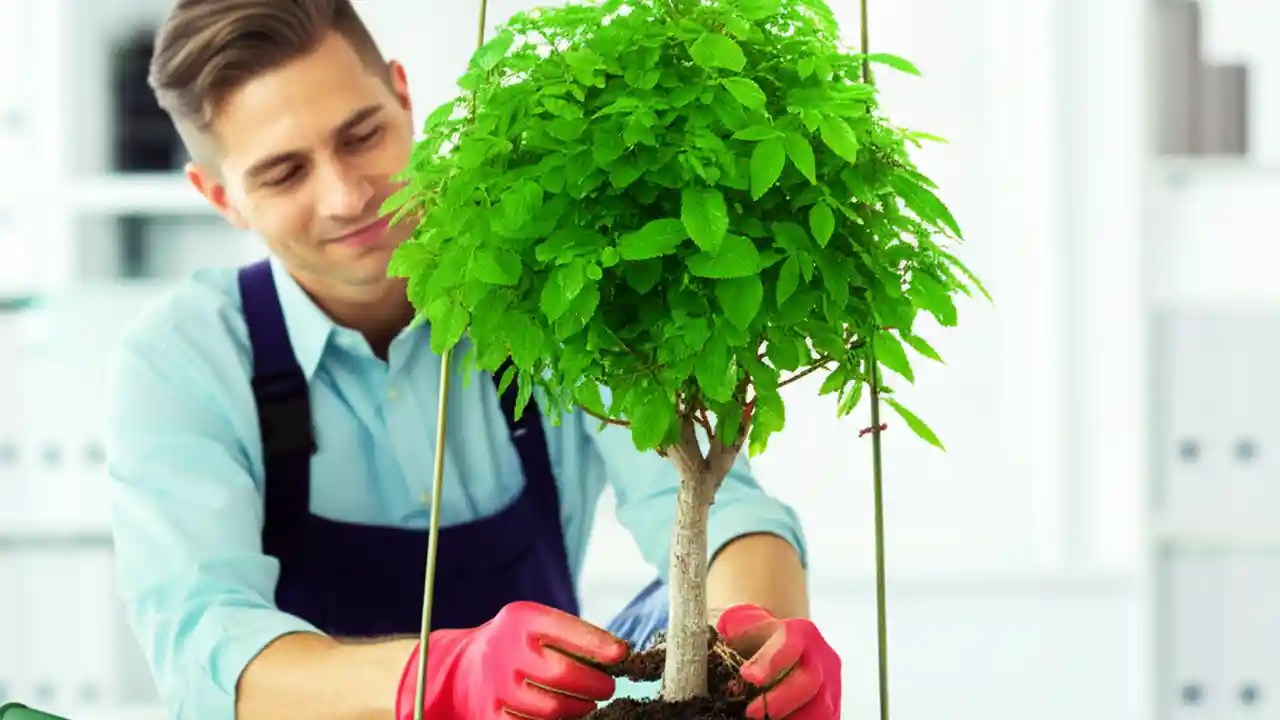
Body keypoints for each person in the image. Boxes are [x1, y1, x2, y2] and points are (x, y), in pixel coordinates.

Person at [104, 1, 842, 719]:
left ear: (402, 95)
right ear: (219, 195)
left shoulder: (554, 289)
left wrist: (761, 640)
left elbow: (708, 503)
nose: (346, 195)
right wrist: (438, 679)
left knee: (681, 633)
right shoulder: (182, 362)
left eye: (361, 136)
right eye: (284, 174)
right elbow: (206, 645)